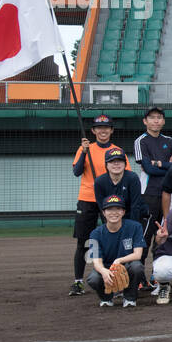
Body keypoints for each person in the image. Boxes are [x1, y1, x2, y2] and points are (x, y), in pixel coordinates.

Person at [70, 113, 128, 296]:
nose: (103, 131)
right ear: (94, 131)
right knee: (83, 241)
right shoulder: (85, 148)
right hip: (87, 199)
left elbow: (124, 174)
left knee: (115, 239)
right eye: (99, 128)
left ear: (111, 130)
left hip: (109, 201)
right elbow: (77, 171)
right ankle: (78, 281)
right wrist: (84, 152)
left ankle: (115, 277)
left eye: (106, 127)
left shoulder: (117, 150)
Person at [84, 194, 146, 308]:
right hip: (107, 268)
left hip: (126, 266)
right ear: (103, 213)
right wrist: (103, 271)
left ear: (123, 212)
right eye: (110, 209)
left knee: (137, 267)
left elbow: (138, 254)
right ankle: (106, 298)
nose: (114, 212)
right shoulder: (95, 234)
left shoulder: (135, 227)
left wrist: (119, 260)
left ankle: (129, 298)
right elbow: (97, 262)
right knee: (93, 279)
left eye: (118, 209)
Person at [132, 106, 172, 248]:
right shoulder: (141, 141)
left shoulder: (170, 141)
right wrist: (167, 167)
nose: (156, 121)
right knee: (145, 233)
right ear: (145, 121)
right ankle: (138, 268)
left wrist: (157, 163)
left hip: (169, 193)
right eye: (152, 118)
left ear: (163, 121)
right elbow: (148, 169)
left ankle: (158, 269)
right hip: (149, 193)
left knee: (165, 234)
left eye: (159, 117)